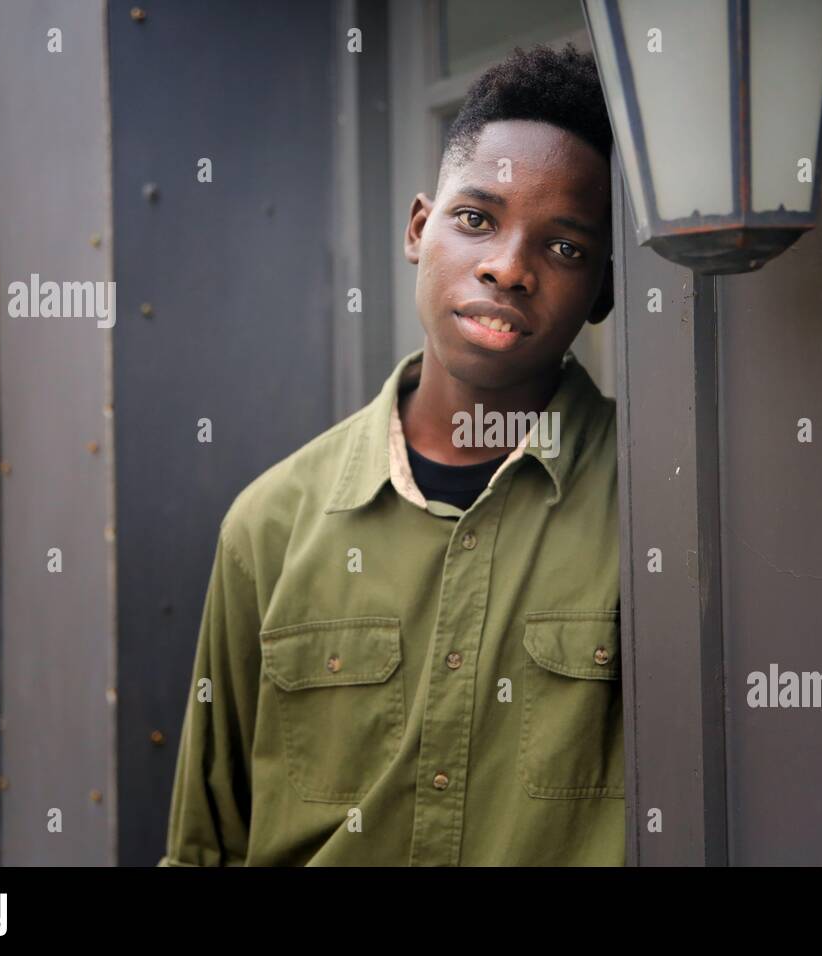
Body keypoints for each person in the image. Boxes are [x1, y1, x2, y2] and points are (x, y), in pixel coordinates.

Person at [161, 43, 622, 866]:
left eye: (565, 249)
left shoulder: (657, 503)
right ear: (420, 229)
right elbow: (204, 846)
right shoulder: (272, 523)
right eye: (476, 218)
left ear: (604, 292)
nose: (507, 268)